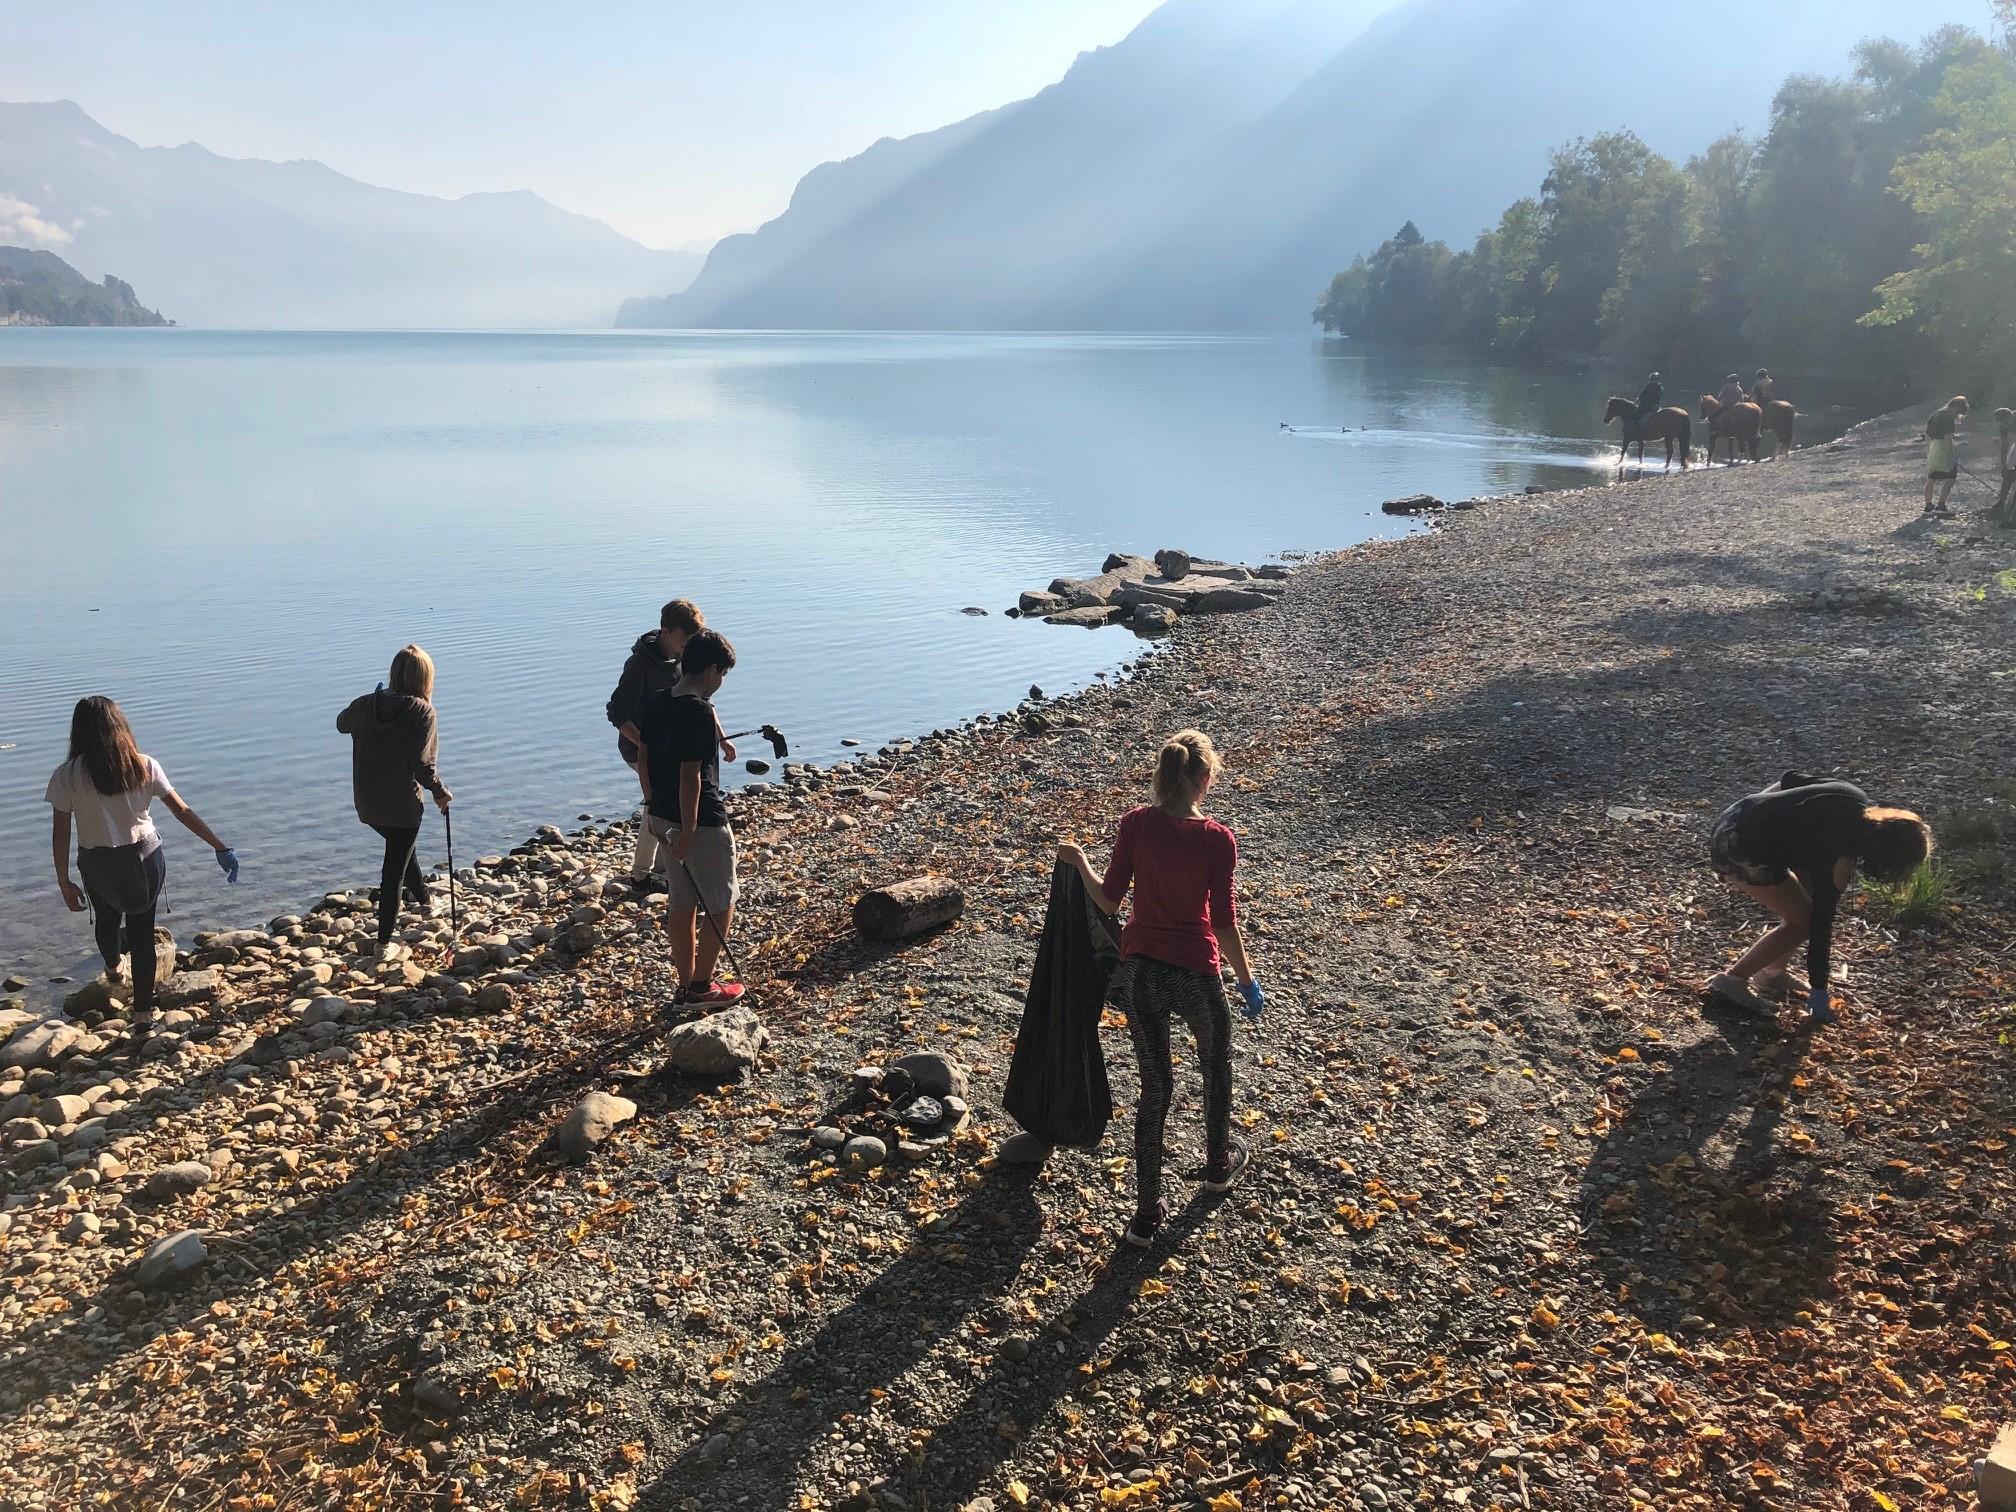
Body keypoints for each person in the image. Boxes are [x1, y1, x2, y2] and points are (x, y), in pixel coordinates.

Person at [1058, 729, 1264, 1248]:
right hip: (1197, 973)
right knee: (1216, 1070)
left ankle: (1145, 1216)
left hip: (1144, 973)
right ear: (1202, 780)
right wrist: (1246, 980)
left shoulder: (1136, 824)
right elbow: (1222, 923)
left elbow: (1107, 901)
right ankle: (1216, 1165)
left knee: (1156, 1090)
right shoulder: (1219, 839)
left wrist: (1078, 859)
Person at [47, 696, 238, 1029]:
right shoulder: (144, 764)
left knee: (106, 922)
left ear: (77, 732)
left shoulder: (67, 775)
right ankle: (143, 1014)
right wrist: (220, 846)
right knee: (141, 932)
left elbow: (60, 833)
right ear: (121, 726)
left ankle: (113, 966)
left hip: (97, 863)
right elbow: (182, 810)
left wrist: (64, 881)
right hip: (144, 858)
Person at [1704, 771, 1933, 1027]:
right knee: (1803, 922)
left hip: (1734, 817)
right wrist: (1819, 989)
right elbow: (1821, 926)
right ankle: (1733, 980)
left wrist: (1760, 814)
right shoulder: (1837, 860)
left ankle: (1772, 973)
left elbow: (1788, 779)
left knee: (1804, 901)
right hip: (1740, 845)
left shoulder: (1851, 795)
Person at [637, 629, 744, 1006]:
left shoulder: (659, 701)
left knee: (682, 904)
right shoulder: (698, 711)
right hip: (700, 822)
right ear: (712, 669)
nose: (720, 683)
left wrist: (650, 805)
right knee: (721, 901)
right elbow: (690, 778)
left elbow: (644, 759)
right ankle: (702, 986)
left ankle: (686, 985)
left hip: (661, 816)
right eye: (722, 675)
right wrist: (689, 831)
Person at [337, 645, 451, 959]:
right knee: (394, 870)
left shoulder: (364, 705)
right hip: (403, 806)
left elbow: (341, 723)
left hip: (368, 804)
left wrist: (368, 709)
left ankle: (426, 902)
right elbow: (422, 766)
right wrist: (440, 792)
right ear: (426, 679)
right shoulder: (422, 711)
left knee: (402, 852)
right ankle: (383, 943)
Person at [607, 599, 714, 890]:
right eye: (684, 640)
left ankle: (661, 868)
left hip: (672, 745)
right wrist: (646, 745)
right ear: (666, 631)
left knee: (670, 798)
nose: (687, 647)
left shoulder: (684, 657)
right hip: (638, 746)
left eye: (692, 641)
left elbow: (700, 698)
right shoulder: (640, 664)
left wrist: (720, 736)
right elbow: (617, 712)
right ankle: (641, 874)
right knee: (657, 801)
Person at [1922, 395, 1969, 517]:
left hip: (1934, 448)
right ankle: (1941, 504)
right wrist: (1951, 454)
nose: (1957, 416)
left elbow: (1926, 434)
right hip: (1944, 448)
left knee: (1932, 478)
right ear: (1955, 407)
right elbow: (1948, 438)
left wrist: (1930, 449)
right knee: (1950, 478)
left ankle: (1928, 505)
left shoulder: (1936, 414)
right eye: (1958, 413)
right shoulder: (1947, 417)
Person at [1992, 407, 2015, 526]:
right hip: (2013, 450)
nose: (2004, 425)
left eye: (2005, 422)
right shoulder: (2003, 426)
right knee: (2007, 476)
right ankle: (2001, 502)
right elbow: (2004, 445)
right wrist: (2004, 465)